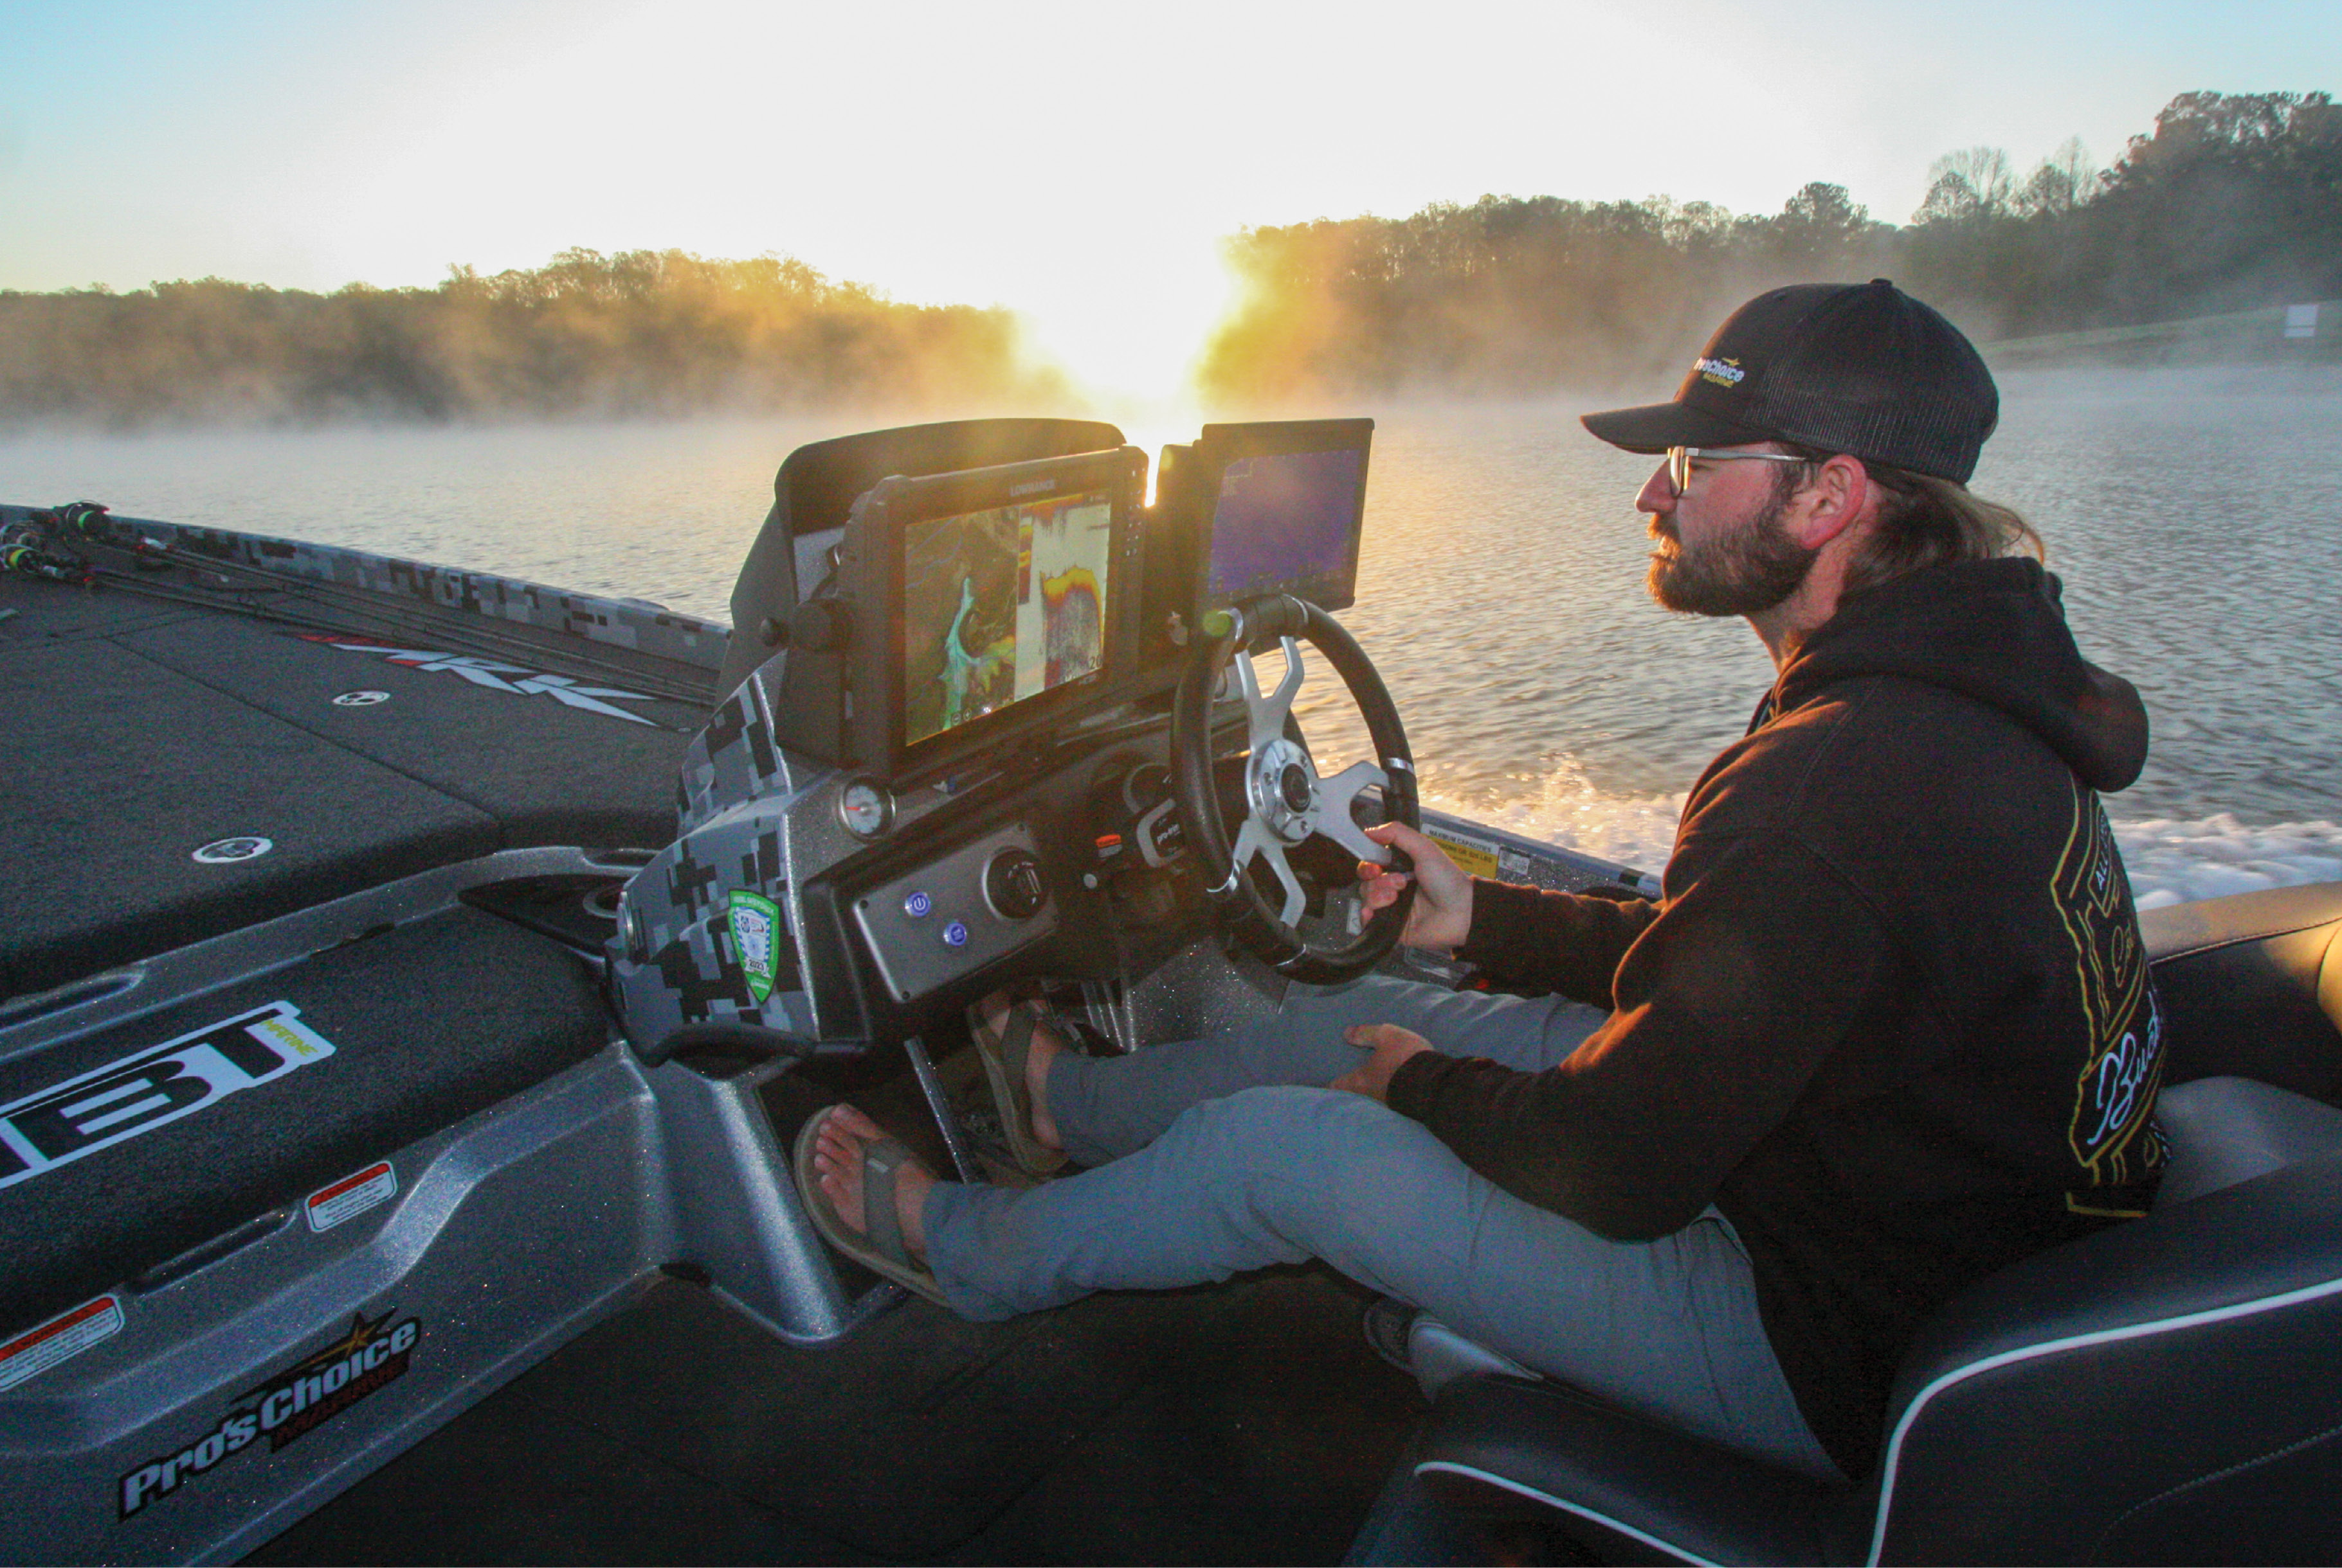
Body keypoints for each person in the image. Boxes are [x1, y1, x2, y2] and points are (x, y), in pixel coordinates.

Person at [799, 279, 2166, 1482]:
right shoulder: (1955, 697)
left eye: (1693, 459)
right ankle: (1068, 1103)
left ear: (1829, 496)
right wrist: (1486, 917)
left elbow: (1619, 1165)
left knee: (1298, 1147)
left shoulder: (1843, 775)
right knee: (1358, 1015)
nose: (1652, 494)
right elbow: (1757, 954)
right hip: (1845, 1185)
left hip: (1841, 1342)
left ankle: (971, 1256)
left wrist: (1415, 1087)